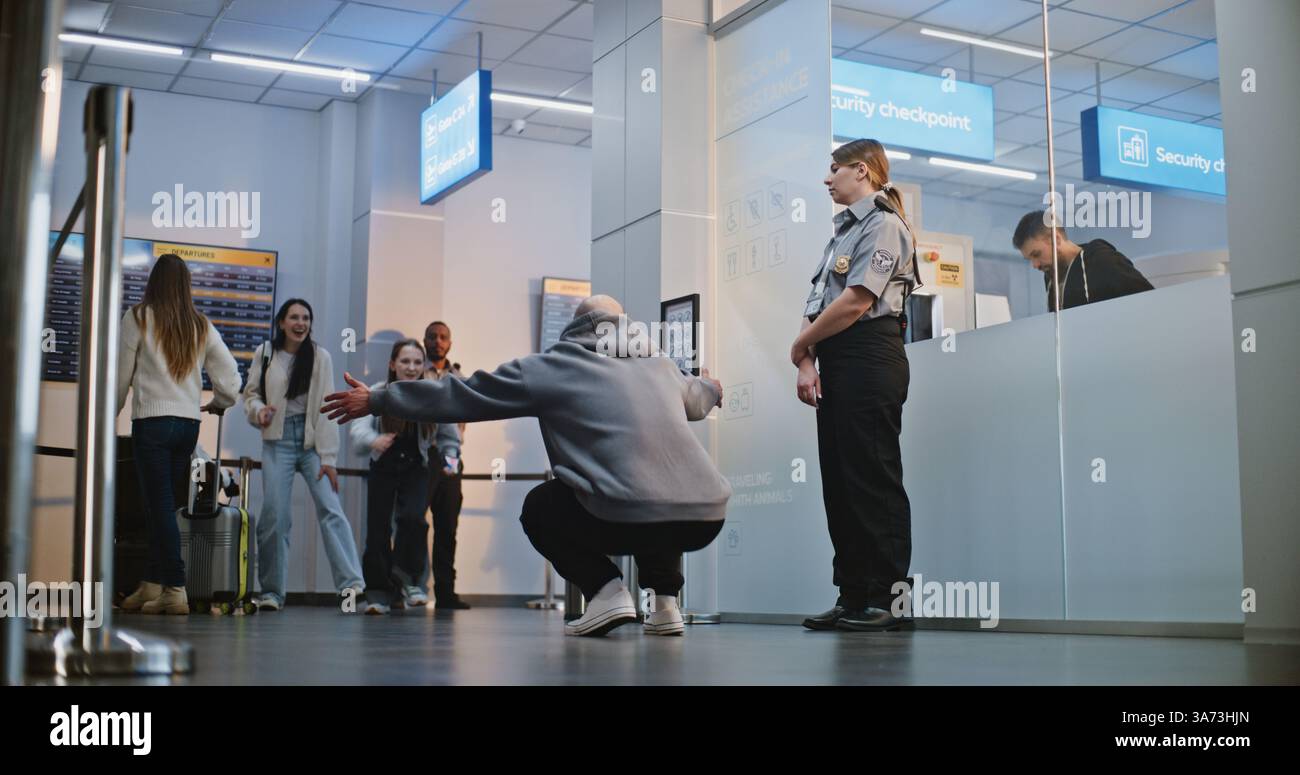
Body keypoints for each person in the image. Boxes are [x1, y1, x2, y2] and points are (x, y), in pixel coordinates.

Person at [322, 295, 731, 637]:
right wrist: (712, 387)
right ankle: (665, 606)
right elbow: (697, 397)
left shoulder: (554, 365)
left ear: (575, 327)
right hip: (705, 517)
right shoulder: (657, 363)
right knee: (660, 488)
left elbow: (463, 395)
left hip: (619, 514)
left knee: (541, 507)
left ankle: (607, 592)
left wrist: (379, 399)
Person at [789, 138, 918, 633]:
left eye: (834, 169)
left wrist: (799, 345)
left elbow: (856, 301)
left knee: (873, 479)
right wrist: (806, 359)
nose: (827, 178)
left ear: (861, 170)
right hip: (838, 355)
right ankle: (854, 595)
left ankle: (890, 601)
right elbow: (819, 300)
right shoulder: (841, 234)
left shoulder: (884, 224)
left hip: (870, 353)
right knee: (840, 482)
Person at [116, 254, 242, 615]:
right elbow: (231, 382)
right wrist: (219, 402)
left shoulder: (138, 317)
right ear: (186, 285)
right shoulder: (200, 324)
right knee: (166, 508)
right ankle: (152, 584)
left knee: (157, 508)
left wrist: (103, 418)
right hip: (187, 426)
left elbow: (121, 377)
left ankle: (175, 587)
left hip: (152, 425)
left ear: (154, 281)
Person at [243, 298, 364, 611]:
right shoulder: (265, 353)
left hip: (312, 444)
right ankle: (271, 593)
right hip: (277, 442)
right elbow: (251, 395)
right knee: (274, 515)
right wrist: (259, 412)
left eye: (306, 318)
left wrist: (329, 458)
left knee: (331, 509)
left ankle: (352, 587)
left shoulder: (320, 356)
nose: (301, 323)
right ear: (282, 322)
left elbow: (326, 408)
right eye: (294, 317)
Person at [349, 339, 457, 614]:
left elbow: (449, 435)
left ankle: (408, 581)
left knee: (413, 520)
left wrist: (450, 459)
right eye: (405, 362)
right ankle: (378, 594)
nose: (411, 368)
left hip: (416, 466)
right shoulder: (376, 392)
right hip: (383, 466)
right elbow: (357, 433)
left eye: (417, 362)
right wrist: (375, 439)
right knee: (378, 531)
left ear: (423, 366)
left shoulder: (432, 394)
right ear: (392, 364)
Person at [1012, 210, 1154, 310]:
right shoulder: (1051, 277)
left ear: (1056, 239)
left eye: (1036, 254)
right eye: (1029, 259)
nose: (1035, 265)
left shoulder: (1101, 260)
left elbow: (1149, 303)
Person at [421, 321, 469, 610]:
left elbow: (462, 424)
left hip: (450, 459)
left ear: (450, 343)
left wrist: (452, 460)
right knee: (412, 523)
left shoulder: (459, 378)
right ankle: (407, 587)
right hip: (421, 458)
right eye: (433, 337)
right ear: (424, 340)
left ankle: (445, 593)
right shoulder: (415, 371)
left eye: (443, 337)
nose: (438, 341)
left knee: (447, 528)